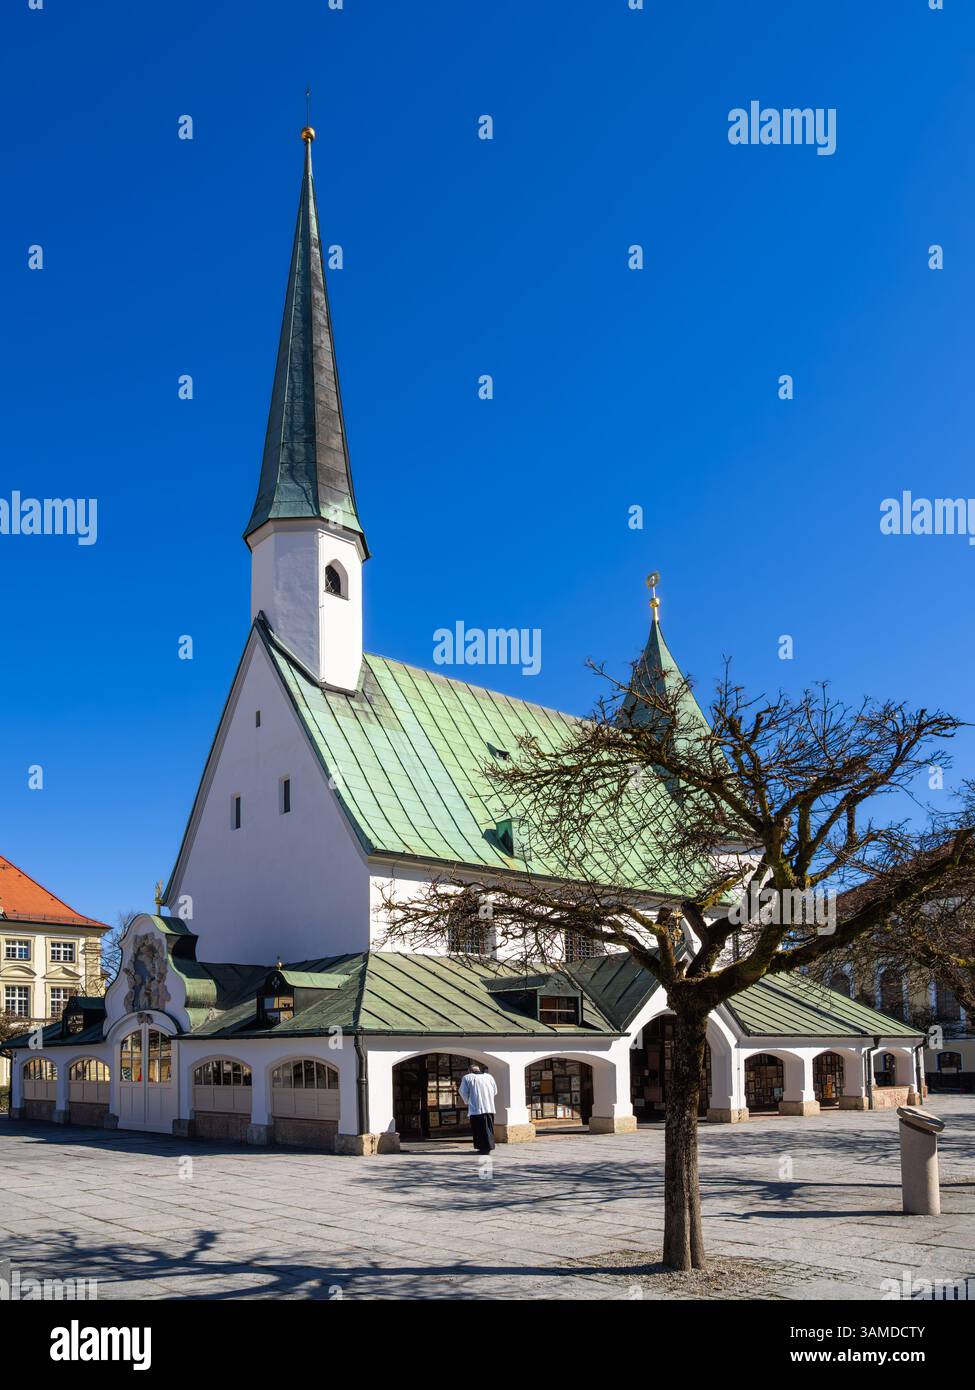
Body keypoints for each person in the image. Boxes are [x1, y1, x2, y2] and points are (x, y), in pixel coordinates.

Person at [458, 1062, 498, 1153]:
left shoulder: (467, 1077)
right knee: (488, 1127)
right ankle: (488, 1146)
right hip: (489, 1107)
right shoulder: (489, 1077)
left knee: (478, 1129)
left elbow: (463, 1092)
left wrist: (468, 1101)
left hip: (476, 1108)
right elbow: (495, 1091)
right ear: (478, 1069)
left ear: (469, 1071)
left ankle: (482, 1147)